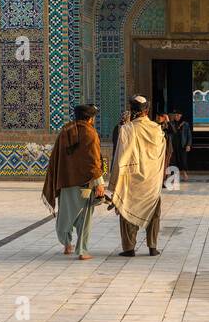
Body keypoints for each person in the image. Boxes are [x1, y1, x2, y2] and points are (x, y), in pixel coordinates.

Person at [41, 104, 106, 260]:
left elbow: (56, 157)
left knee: (65, 215)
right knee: (84, 218)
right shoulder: (90, 133)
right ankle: (82, 251)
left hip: (65, 181)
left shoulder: (65, 131)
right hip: (84, 184)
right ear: (90, 118)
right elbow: (93, 160)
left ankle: (66, 244)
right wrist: (100, 183)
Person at [109, 95, 169, 257]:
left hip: (132, 180)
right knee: (153, 213)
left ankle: (129, 248)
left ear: (132, 111)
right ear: (147, 111)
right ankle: (152, 246)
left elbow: (120, 155)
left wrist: (122, 125)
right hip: (151, 181)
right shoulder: (157, 129)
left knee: (127, 210)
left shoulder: (127, 129)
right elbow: (163, 152)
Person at [168, 110, 192, 180]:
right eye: (175, 115)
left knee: (183, 160)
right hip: (173, 145)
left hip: (182, 145)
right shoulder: (171, 123)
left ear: (181, 116)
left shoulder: (185, 124)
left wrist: (188, 145)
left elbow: (189, 135)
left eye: (178, 115)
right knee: (173, 161)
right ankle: (172, 176)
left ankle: (184, 173)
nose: (177, 117)